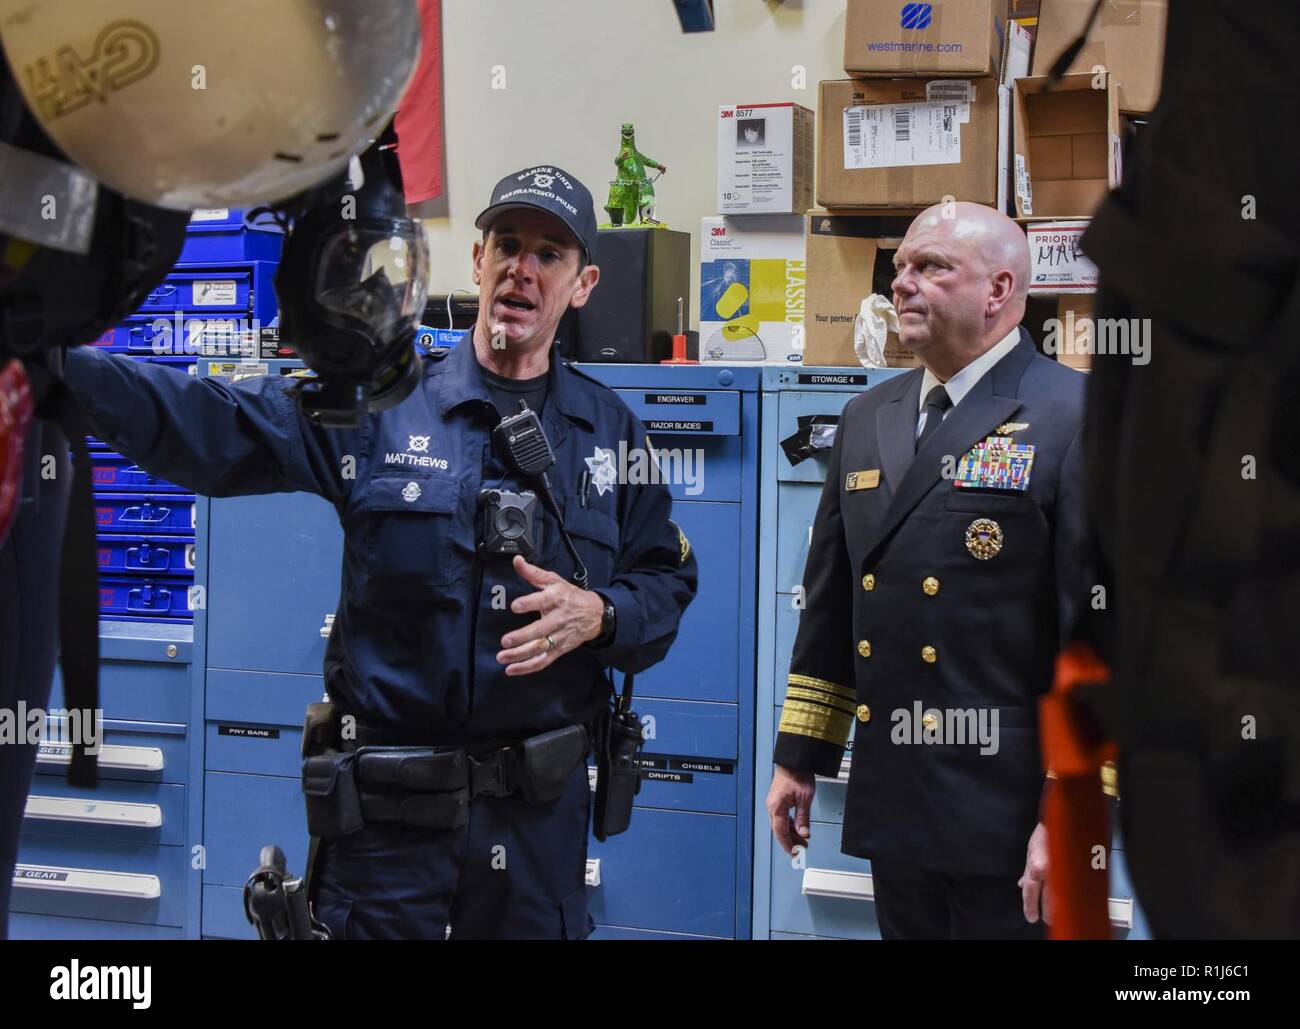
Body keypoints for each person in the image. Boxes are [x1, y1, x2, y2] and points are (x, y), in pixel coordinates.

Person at [60, 164, 699, 939]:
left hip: (533, 843)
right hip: (387, 838)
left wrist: (600, 612)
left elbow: (664, 586)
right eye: (505, 243)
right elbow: (213, 422)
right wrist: (58, 370)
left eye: (548, 253)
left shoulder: (615, 436)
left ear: (584, 282)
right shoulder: (379, 406)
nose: (520, 268)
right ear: (476, 260)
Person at [765, 202, 1087, 940]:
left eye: (930, 267)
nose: (900, 285)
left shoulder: (1075, 416)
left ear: (999, 289)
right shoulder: (868, 416)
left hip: (1004, 816)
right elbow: (832, 608)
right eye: (899, 267)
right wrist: (800, 755)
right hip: (896, 804)